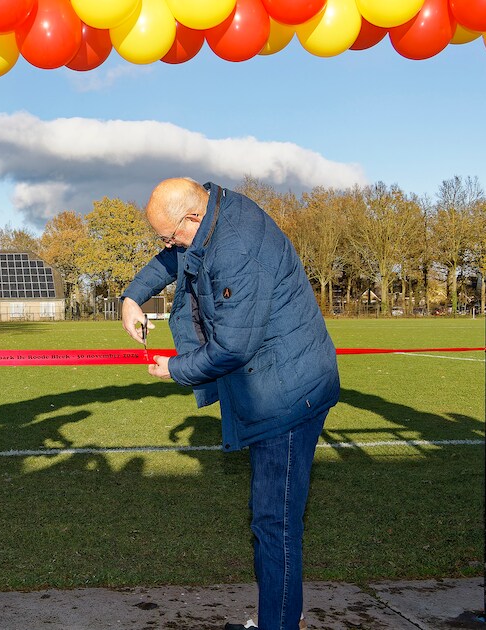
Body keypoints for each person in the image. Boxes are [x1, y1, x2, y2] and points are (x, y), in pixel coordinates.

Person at [120, 178, 339, 630]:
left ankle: (279, 624)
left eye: (169, 236)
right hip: (275, 382)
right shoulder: (211, 215)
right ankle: (283, 617)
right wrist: (131, 296)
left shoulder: (236, 247)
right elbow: (174, 259)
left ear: (192, 216)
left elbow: (233, 347)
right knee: (272, 521)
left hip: (289, 394)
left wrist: (176, 368)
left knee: (274, 523)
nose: (168, 245)